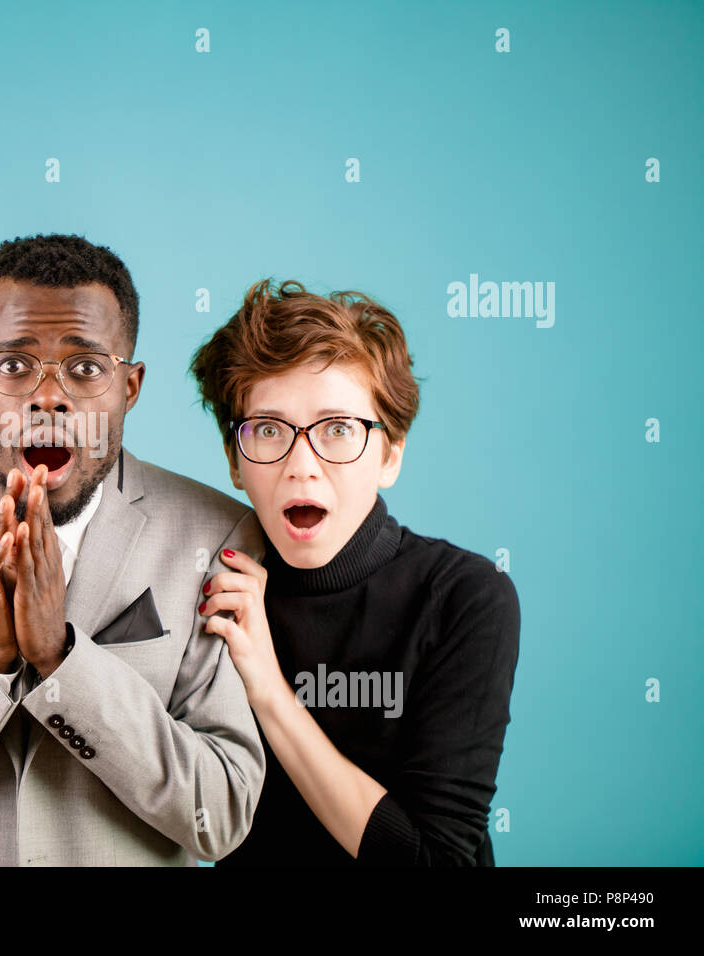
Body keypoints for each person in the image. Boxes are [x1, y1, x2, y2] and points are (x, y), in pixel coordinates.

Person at [0, 234, 267, 866]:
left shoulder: (216, 538)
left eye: (86, 367)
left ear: (131, 386)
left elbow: (220, 815)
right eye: (13, 365)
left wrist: (65, 664)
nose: (49, 396)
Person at [189, 278, 521, 866]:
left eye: (338, 429)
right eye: (268, 430)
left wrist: (268, 688)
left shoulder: (465, 596)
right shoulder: (207, 587)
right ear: (234, 461)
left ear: (390, 454)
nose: (301, 466)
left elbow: (438, 862)